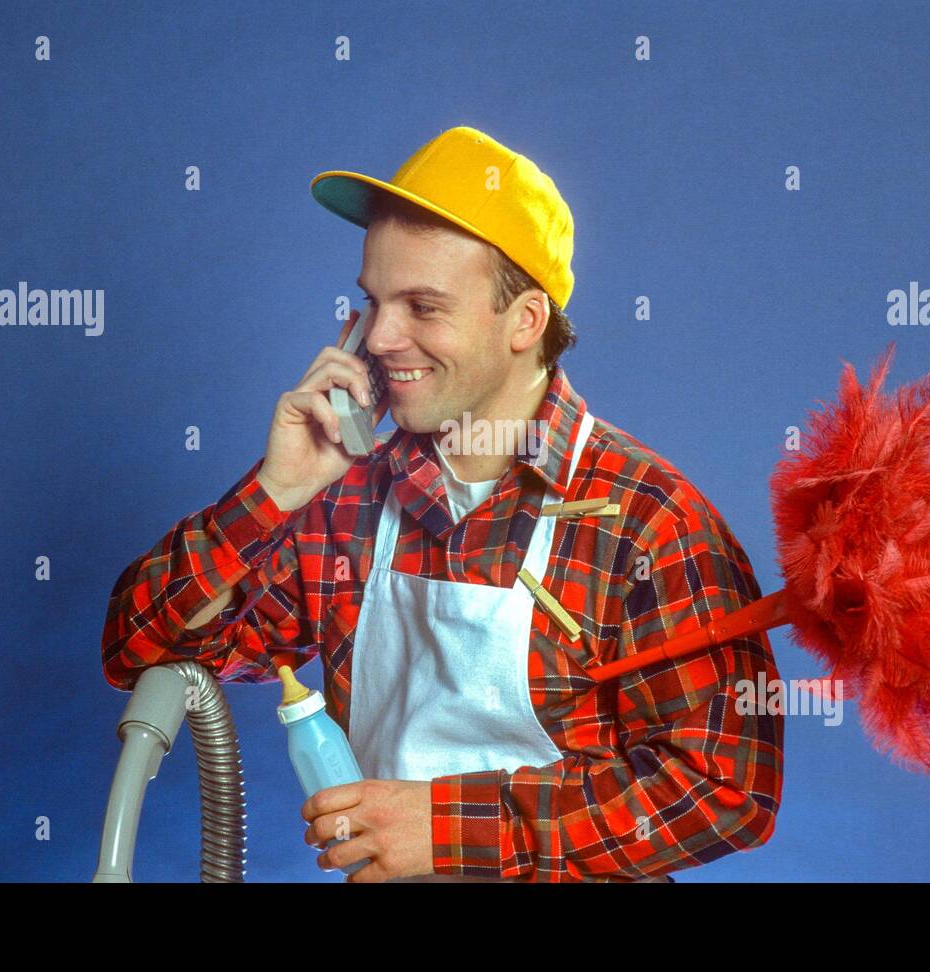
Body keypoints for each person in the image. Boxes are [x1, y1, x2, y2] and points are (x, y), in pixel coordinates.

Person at [101, 125, 784, 883]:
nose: (383, 338)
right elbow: (143, 648)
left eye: (423, 307)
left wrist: (448, 828)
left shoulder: (649, 521)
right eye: (373, 303)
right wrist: (278, 490)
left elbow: (725, 789)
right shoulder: (347, 500)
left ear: (525, 320)